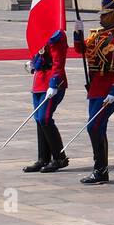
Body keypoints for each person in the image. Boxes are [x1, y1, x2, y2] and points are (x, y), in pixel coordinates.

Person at [72, 0, 114, 186]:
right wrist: (77, 33)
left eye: (105, 15)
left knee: (94, 126)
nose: (101, 18)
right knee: (97, 127)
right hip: (96, 88)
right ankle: (100, 170)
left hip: (110, 89)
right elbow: (81, 50)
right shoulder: (97, 35)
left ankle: (100, 169)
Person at [24, 30, 69, 174]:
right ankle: (43, 158)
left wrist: (54, 82)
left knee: (45, 118)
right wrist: (33, 63)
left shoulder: (57, 34)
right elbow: (39, 53)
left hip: (51, 81)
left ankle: (59, 158)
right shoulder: (41, 33)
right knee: (39, 119)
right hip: (39, 81)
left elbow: (58, 61)